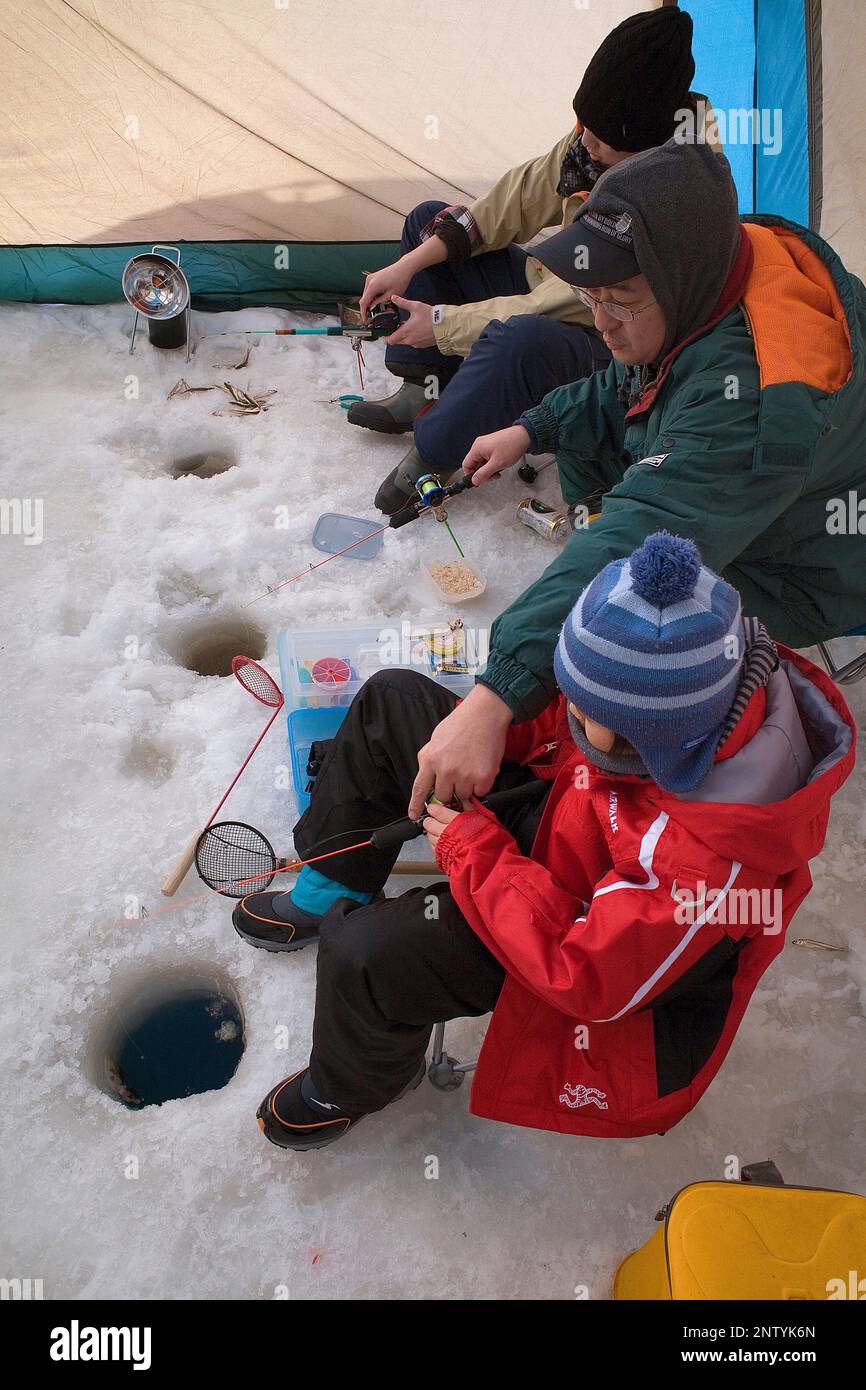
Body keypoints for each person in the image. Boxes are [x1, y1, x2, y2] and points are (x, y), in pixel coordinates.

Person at [233, 533, 855, 1150]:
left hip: (568, 932)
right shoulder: (666, 699)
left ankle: (350, 1085)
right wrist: (498, 727)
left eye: (586, 713)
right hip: (562, 820)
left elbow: (588, 977)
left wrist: (477, 851)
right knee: (392, 701)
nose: (571, 713)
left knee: (368, 953)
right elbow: (567, 728)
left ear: (654, 741)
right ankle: (327, 884)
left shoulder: (706, 866)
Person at [407, 133, 866, 817]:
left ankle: (637, 780)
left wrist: (497, 694)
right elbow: (632, 385)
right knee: (603, 486)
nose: (602, 323)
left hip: (815, 562)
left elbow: (635, 538)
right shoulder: (711, 272)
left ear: (676, 284)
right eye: (591, 296)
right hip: (761, 501)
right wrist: (533, 427)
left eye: (619, 300)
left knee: (637, 623)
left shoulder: (757, 403)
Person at [353, 6, 702, 517]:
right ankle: (426, 390)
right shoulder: (595, 144)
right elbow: (507, 205)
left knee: (518, 341)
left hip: (612, 347)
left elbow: (564, 307)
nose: (583, 141)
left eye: (600, 138)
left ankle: (434, 454)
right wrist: (412, 262)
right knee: (432, 220)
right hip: (558, 289)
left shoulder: (669, 197)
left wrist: (444, 325)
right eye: (583, 124)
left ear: (642, 143)